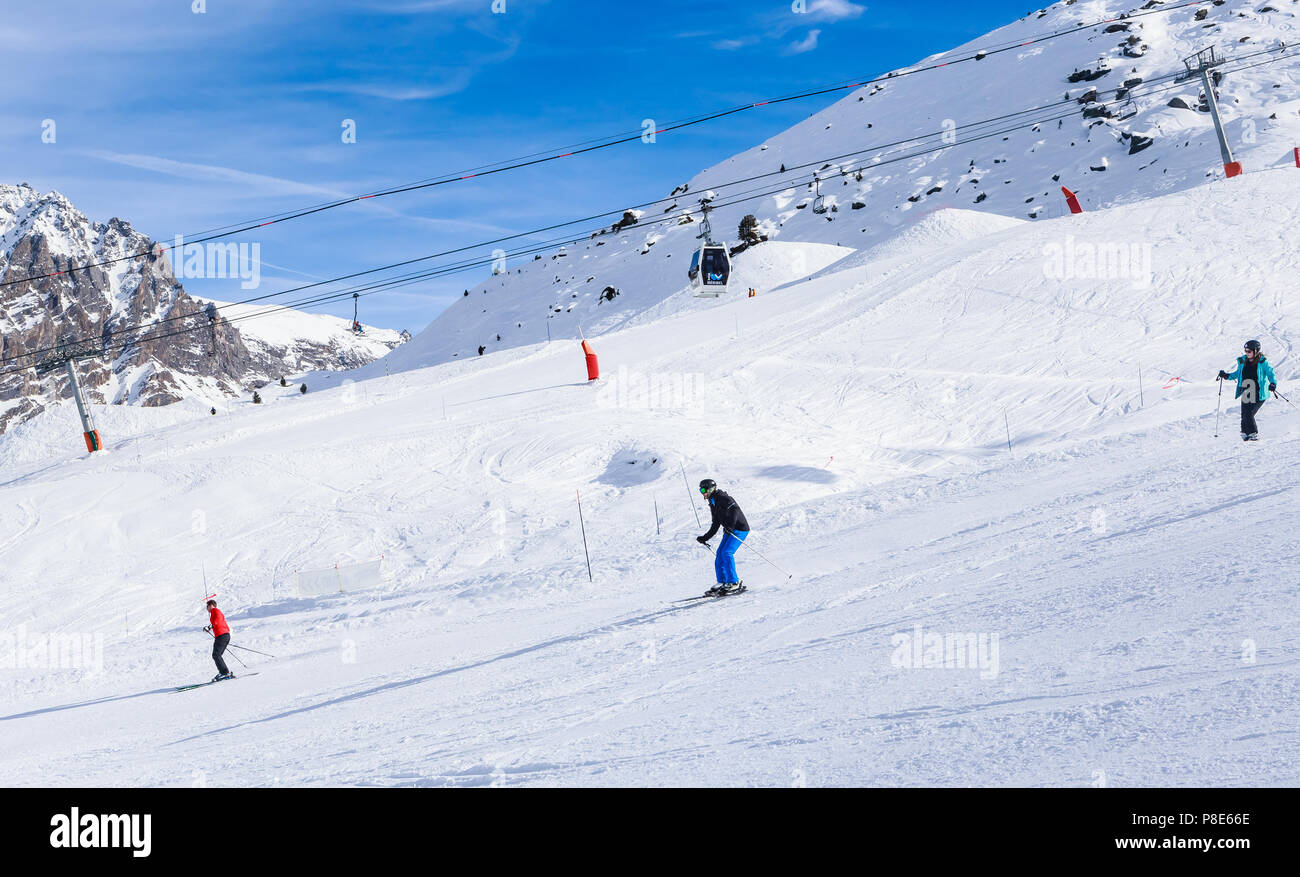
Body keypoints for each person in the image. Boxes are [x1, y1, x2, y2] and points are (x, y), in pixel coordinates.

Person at [696, 479, 750, 595]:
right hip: (729, 530)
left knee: (727, 553)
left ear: (710, 488)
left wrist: (730, 526)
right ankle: (722, 582)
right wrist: (705, 537)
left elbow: (735, 510)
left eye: (704, 490)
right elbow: (716, 523)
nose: (702, 493)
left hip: (740, 529)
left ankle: (734, 582)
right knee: (720, 553)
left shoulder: (722, 497)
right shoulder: (712, 501)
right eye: (701, 490)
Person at [1218, 339, 1278, 441]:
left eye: (1249, 351)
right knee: (1244, 413)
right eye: (1245, 351)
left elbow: (1270, 373)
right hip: (1246, 391)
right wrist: (1226, 376)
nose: (1247, 353)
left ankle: (1253, 433)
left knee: (1249, 413)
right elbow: (1237, 374)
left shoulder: (1262, 362)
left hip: (1259, 393)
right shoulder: (1243, 362)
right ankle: (1245, 433)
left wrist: (1273, 383)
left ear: (1255, 351)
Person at [203, 599, 234, 682]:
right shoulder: (215, 612)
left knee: (216, 655)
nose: (207, 608)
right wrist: (209, 628)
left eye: (207, 606)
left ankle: (225, 672)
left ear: (210, 605)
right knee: (217, 655)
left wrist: (209, 627)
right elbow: (216, 622)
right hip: (222, 636)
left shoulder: (215, 611)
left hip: (222, 635)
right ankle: (224, 672)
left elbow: (217, 621)